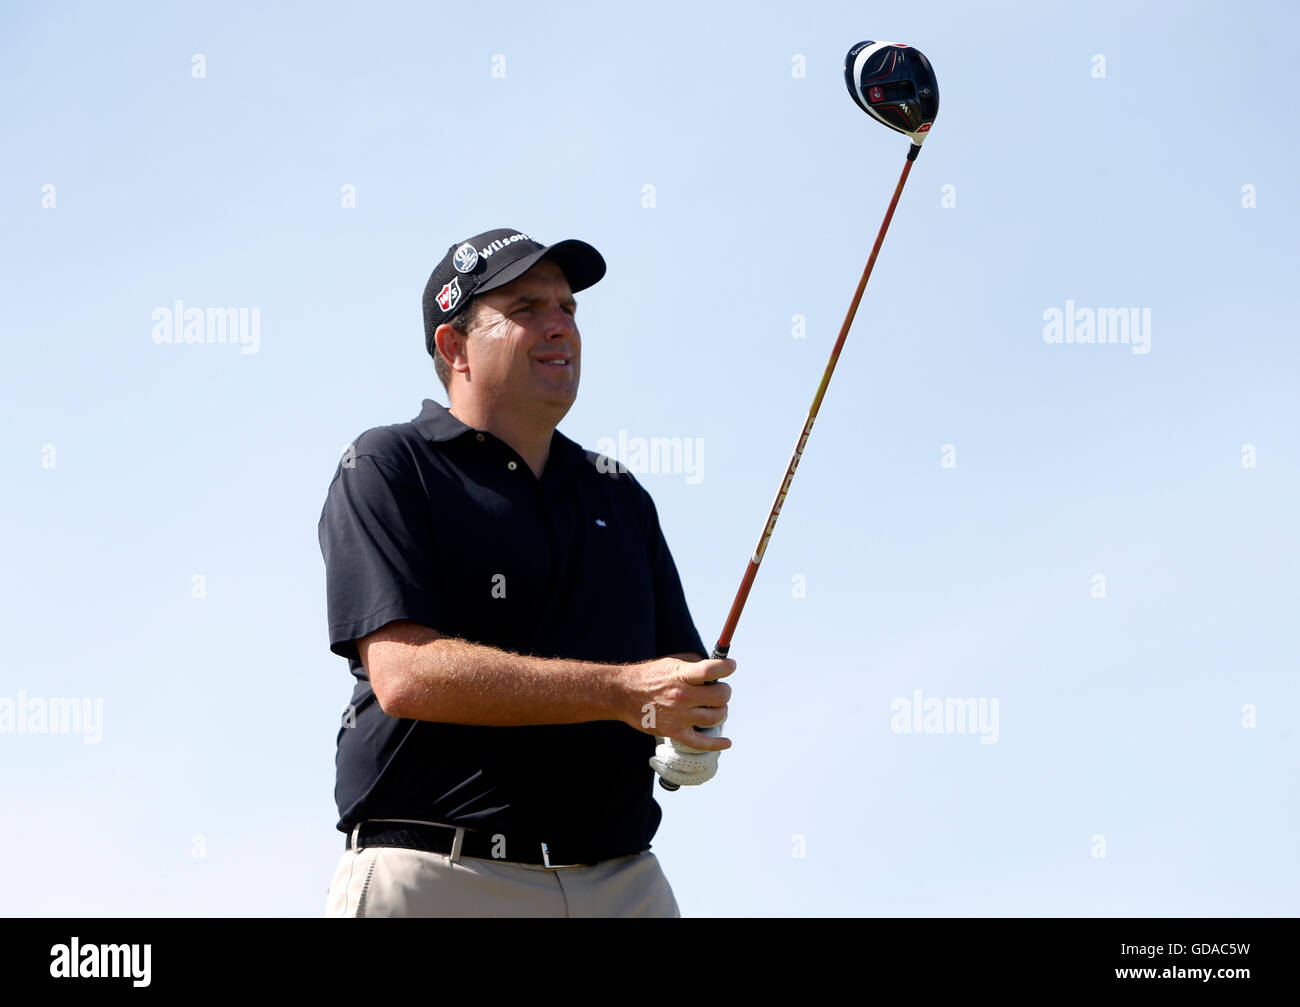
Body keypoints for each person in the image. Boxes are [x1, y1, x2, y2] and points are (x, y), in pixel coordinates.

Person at [318, 228, 735, 917]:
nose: (559, 327)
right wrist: (623, 691)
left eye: (568, 309)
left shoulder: (617, 493)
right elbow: (406, 674)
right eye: (526, 309)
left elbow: (674, 667)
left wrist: (689, 721)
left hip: (621, 882)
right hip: (436, 874)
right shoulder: (389, 465)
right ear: (455, 348)